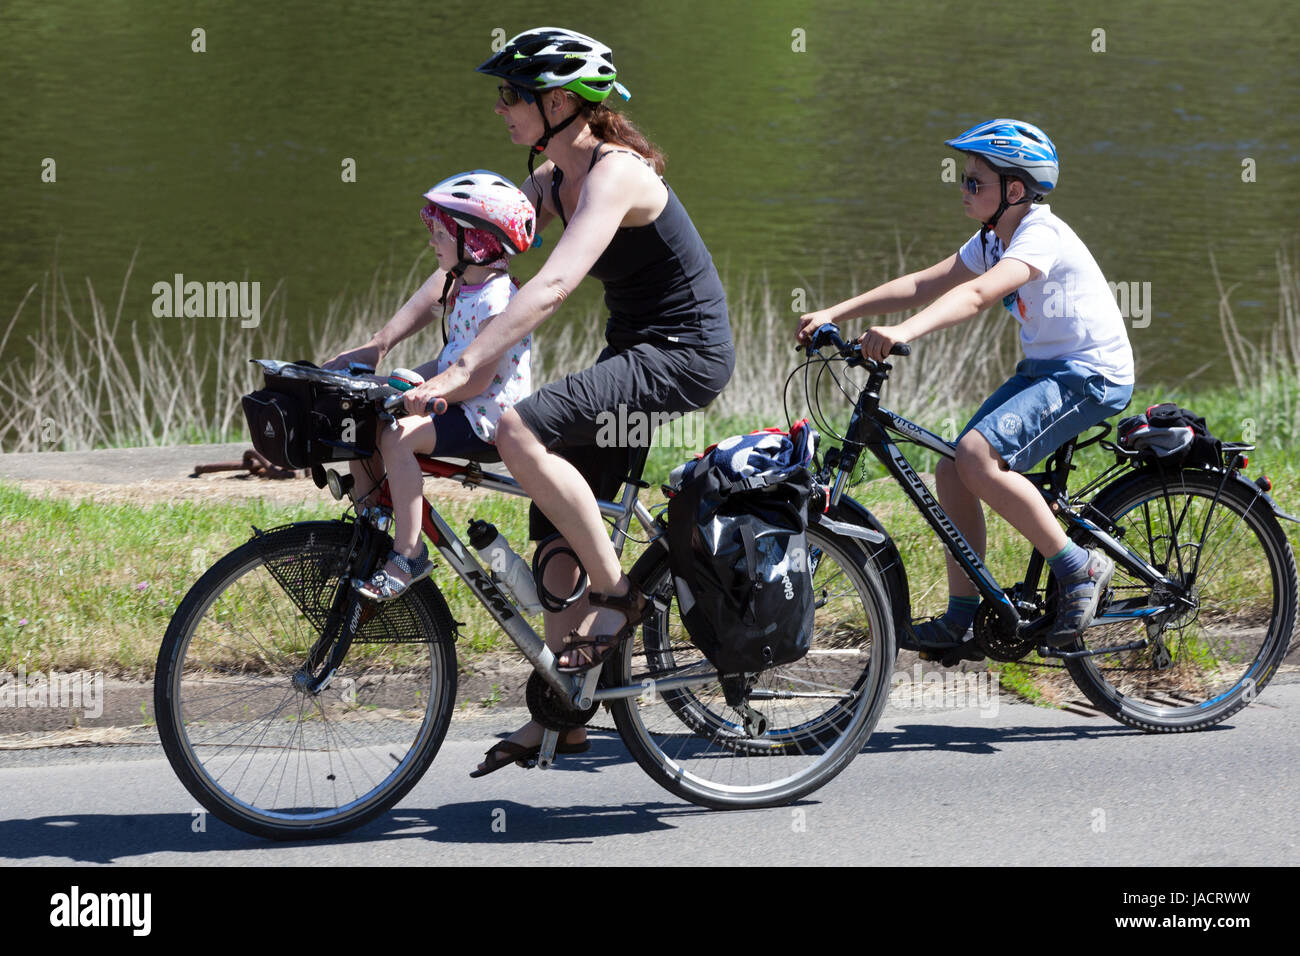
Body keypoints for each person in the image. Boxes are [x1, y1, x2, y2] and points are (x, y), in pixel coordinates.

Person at [417, 27, 735, 776]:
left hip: (684, 355)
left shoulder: (615, 174)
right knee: (557, 537)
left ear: (559, 103)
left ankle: (621, 599)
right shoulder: (554, 177)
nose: (501, 110)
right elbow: (475, 255)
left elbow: (554, 285)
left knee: (520, 427)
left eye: (512, 96)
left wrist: (466, 363)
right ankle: (562, 710)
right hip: (633, 353)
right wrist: (377, 344)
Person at [797, 118, 1134, 651]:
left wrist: (904, 332)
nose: (963, 188)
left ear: (1014, 191)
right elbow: (925, 281)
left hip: (1090, 373)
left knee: (976, 457)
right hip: (1046, 369)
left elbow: (977, 297)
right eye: (963, 178)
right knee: (952, 468)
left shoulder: (1038, 233)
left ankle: (1079, 567)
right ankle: (960, 618)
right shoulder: (993, 237)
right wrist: (837, 310)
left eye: (975, 181)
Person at [325, 171, 536, 600]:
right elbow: (450, 362)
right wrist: (389, 381)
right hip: (460, 402)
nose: (431, 241)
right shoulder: (466, 287)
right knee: (368, 417)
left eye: (440, 233)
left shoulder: (498, 300)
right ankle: (369, 532)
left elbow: (475, 376)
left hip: (487, 416)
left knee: (398, 439)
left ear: (475, 243)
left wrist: (424, 393)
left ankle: (409, 552)